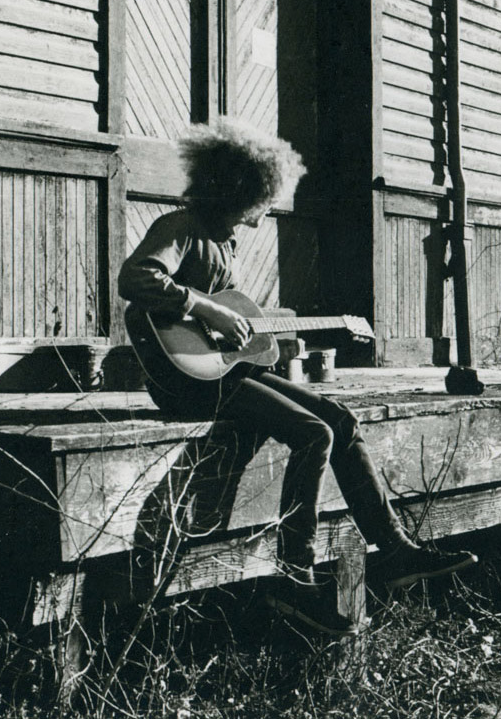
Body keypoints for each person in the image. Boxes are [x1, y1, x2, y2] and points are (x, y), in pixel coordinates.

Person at [118, 119, 475, 635]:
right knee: (314, 433)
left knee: (340, 417)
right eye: (264, 199)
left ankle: (396, 550)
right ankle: (295, 577)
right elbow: (137, 278)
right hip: (184, 382)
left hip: (219, 373)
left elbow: (235, 333)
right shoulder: (181, 228)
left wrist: (263, 339)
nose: (267, 212)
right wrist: (207, 310)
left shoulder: (225, 243)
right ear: (241, 191)